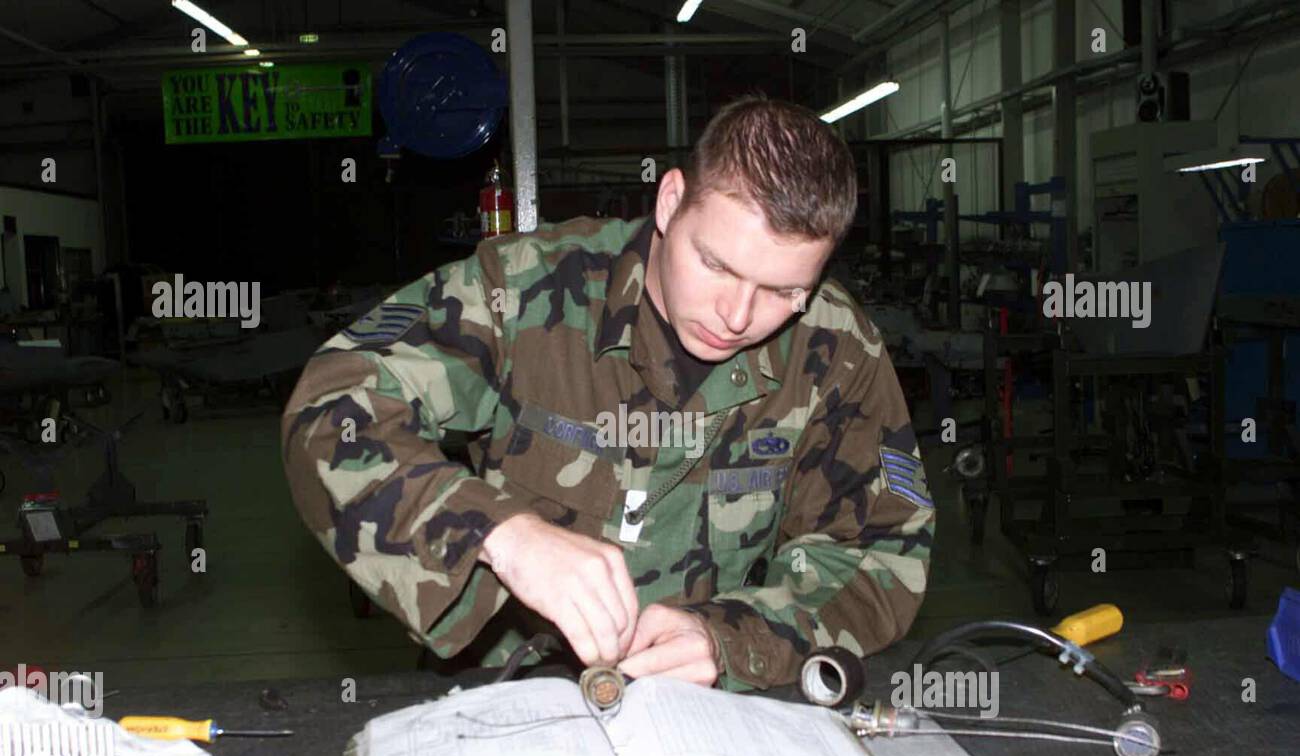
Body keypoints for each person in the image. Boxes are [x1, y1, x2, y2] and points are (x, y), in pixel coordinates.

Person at [281, 95, 934, 692]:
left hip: (705, 704)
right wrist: (496, 530)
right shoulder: (523, 292)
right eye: (716, 264)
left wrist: (735, 639)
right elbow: (329, 409)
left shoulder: (837, 347)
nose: (738, 315)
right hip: (507, 686)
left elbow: (880, 551)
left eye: (784, 291)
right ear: (671, 201)